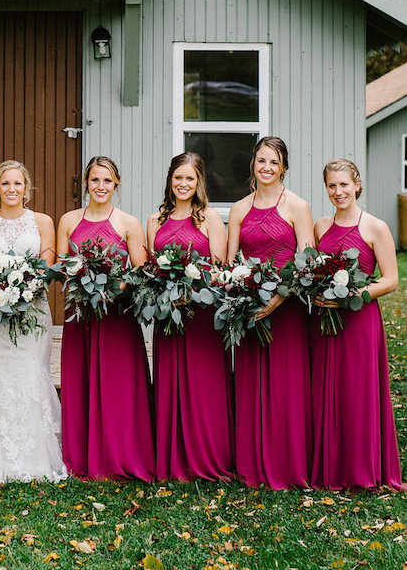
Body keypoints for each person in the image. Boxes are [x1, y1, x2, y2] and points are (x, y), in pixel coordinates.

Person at [0, 160, 66, 483]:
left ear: (27, 188)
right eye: (5, 184)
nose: (11, 190)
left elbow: (49, 261)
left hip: (32, 310)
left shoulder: (43, 221)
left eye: (17, 184)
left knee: (32, 371)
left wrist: (24, 288)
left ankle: (36, 457)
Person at [57, 156, 153, 480]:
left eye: (107, 181)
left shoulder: (129, 222)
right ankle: (82, 456)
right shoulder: (69, 220)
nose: (100, 186)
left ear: (116, 185)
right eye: (95, 180)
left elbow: (140, 270)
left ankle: (119, 454)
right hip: (81, 315)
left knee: (118, 386)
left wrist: (116, 285)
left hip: (116, 316)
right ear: (86, 183)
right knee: (81, 381)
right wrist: (81, 281)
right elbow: (62, 267)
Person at [227, 136, 314, 489]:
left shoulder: (297, 206)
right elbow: (230, 261)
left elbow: (308, 261)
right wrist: (242, 290)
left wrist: (278, 298)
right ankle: (251, 463)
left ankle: (289, 465)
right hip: (251, 309)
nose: (266, 168)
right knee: (251, 385)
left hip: (286, 309)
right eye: (261, 161)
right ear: (253, 164)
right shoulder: (239, 208)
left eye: (274, 162)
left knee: (286, 387)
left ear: (284, 168)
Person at [311, 159, 403, 490]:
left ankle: (363, 468)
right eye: (332, 186)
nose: (338, 192)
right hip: (326, 324)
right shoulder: (321, 226)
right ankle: (332, 467)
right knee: (329, 391)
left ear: (357, 185)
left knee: (358, 392)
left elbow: (391, 280)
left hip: (360, 322)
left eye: (344, 185)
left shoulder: (375, 226)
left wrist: (352, 294)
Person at [146, 152, 233, 481]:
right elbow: (152, 266)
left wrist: (194, 288)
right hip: (168, 315)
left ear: (199, 183)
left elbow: (220, 268)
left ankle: (207, 456)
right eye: (178, 178)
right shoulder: (155, 220)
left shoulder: (209, 218)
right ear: (170, 179)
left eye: (190, 179)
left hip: (202, 315)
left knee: (204, 384)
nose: (183, 184)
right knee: (170, 380)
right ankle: (172, 458)